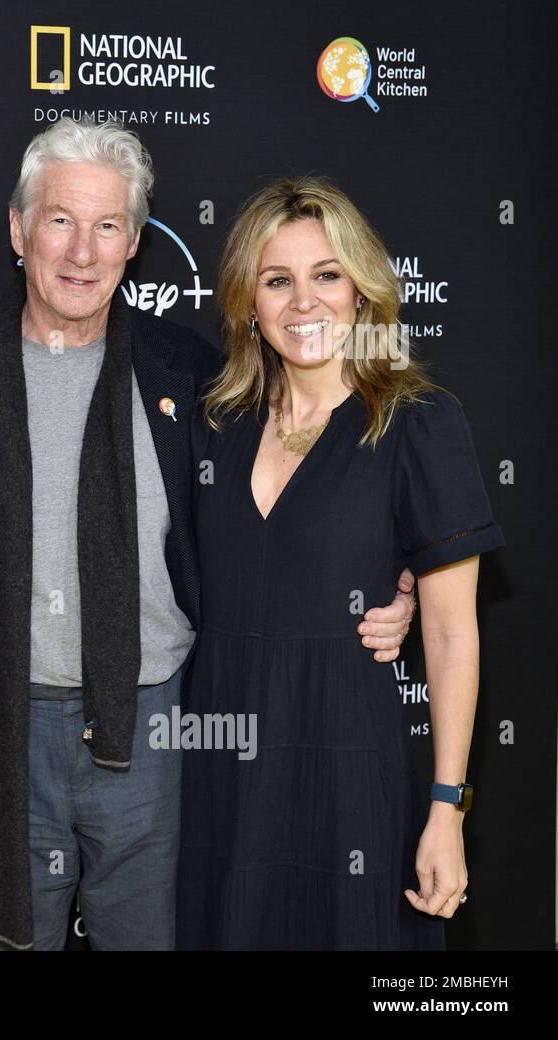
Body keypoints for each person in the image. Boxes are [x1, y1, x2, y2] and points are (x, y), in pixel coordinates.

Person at [0, 118, 416, 951]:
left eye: (108, 225)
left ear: (134, 244)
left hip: (158, 731)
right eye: (60, 220)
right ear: (18, 229)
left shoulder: (191, 374)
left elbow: (297, 500)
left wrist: (396, 582)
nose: (82, 250)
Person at [177, 177, 504, 949]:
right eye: (277, 280)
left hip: (346, 768)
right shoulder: (211, 424)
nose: (304, 302)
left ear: (362, 290)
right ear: (245, 301)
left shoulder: (419, 423)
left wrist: (447, 810)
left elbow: (455, 637)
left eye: (327, 274)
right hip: (216, 773)